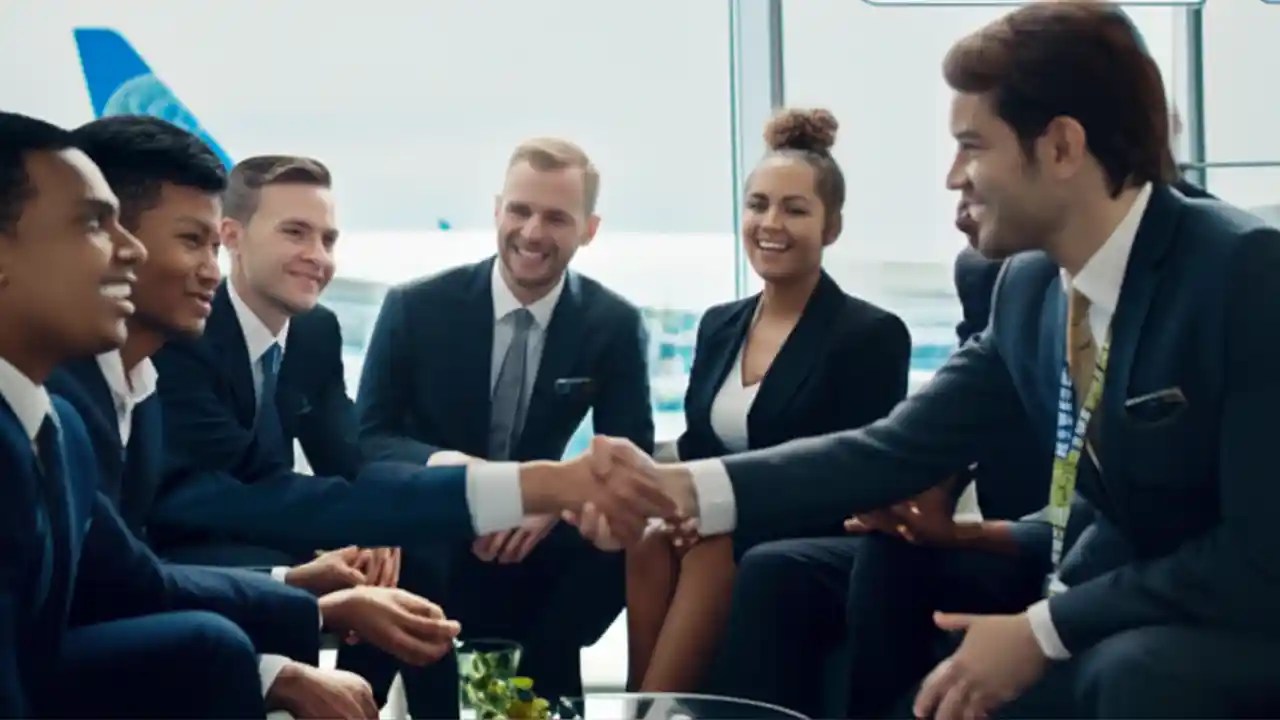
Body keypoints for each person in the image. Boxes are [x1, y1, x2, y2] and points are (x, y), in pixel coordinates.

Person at [579, 3, 1280, 717]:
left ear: (1062, 148)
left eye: (972, 146)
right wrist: (676, 489)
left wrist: (1045, 630)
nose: (953, 177)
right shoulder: (1029, 290)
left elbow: (1261, 554)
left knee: (1133, 676)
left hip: (1234, 617)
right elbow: (891, 450)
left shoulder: (1243, 272)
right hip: (1114, 594)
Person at [46, 114, 474, 718]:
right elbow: (185, 504)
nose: (317, 256)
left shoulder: (313, 332)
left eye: (328, 239)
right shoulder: (169, 341)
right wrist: (299, 579)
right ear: (236, 236)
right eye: (296, 232)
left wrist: (384, 521)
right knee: (229, 635)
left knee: (403, 554)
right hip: (189, 531)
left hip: (217, 531)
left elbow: (346, 451)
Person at [0, 109, 324, 718]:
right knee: (212, 647)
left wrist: (298, 591)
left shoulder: (66, 419)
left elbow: (122, 574)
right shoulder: (62, 410)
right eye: (94, 225)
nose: (127, 250)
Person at [356, 136, 655, 702]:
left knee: (596, 552)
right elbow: (370, 441)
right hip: (435, 530)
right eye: (520, 210)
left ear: (589, 229)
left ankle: (530, 704)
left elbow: (626, 455)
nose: (533, 232)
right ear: (498, 210)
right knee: (426, 554)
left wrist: (551, 498)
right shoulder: (415, 308)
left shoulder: (612, 324)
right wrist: (472, 478)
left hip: (535, 550)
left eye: (556, 217)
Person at [623, 108, 911, 693]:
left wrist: (721, 513)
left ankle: (655, 712)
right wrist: (684, 510)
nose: (770, 222)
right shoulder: (720, 325)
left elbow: (858, 475)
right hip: (724, 522)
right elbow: (702, 447)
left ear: (831, 227)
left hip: (810, 530)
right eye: (757, 204)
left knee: (710, 547)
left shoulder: (868, 334)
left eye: (795, 209)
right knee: (650, 539)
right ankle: (646, 701)